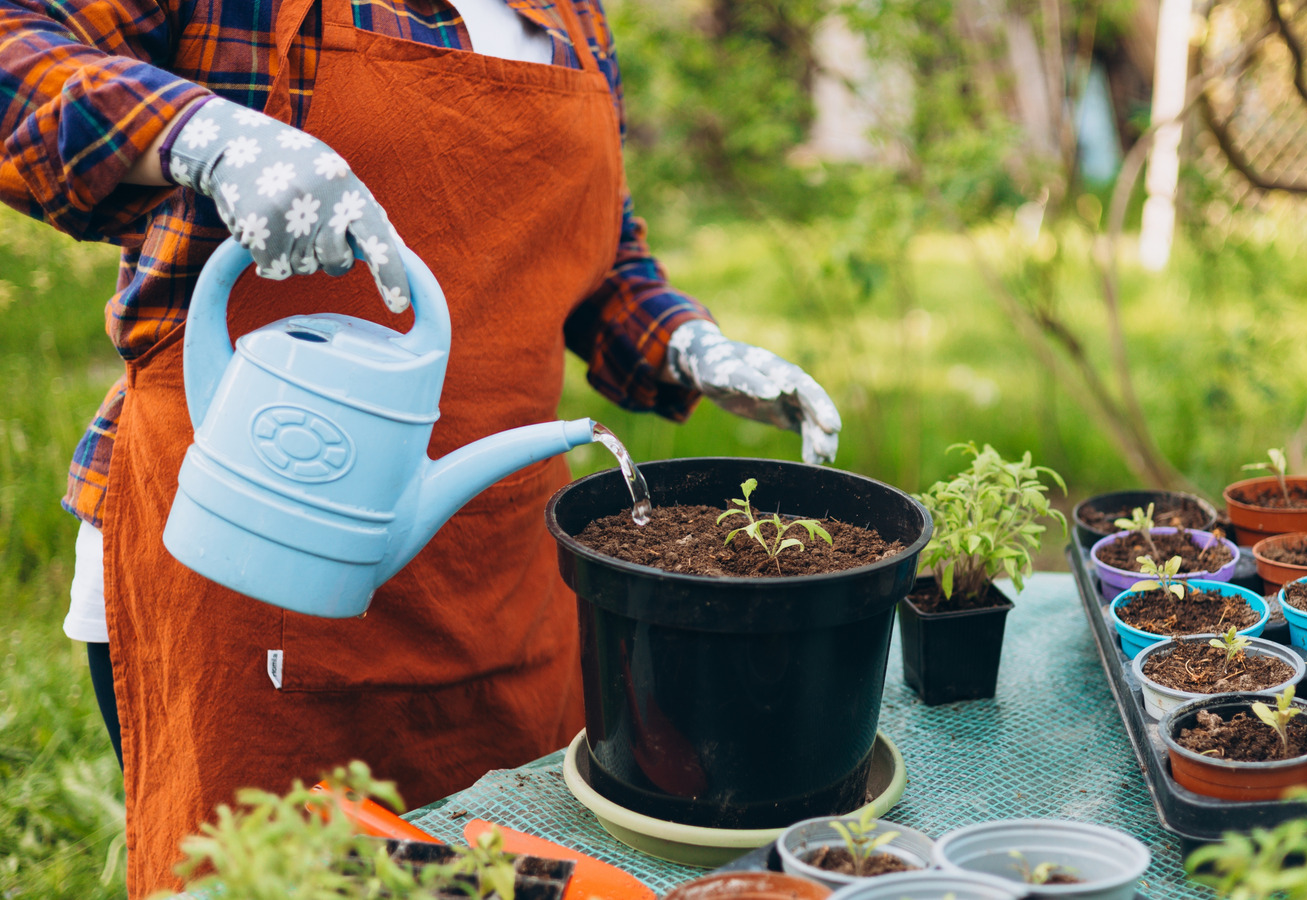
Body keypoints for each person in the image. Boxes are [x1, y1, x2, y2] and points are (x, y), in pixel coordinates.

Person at [0, 0, 841, 894]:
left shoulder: (572, 17)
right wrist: (207, 135)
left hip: (502, 584)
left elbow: (594, 255)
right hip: (255, 563)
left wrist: (686, 345)